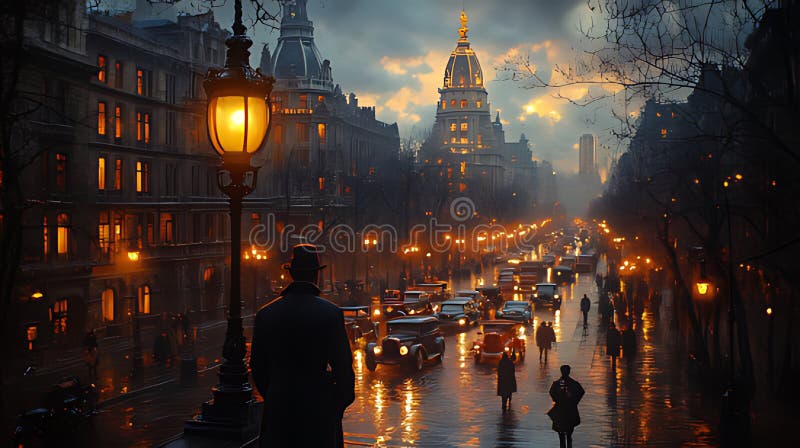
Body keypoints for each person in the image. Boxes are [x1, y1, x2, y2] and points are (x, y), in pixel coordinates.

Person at [251, 244, 355, 448]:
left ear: (291, 275)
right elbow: (343, 369)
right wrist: (334, 406)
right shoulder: (331, 314)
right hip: (318, 411)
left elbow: (258, 368)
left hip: (279, 411)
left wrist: (276, 393)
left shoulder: (265, 315)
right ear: (316, 276)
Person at [548, 364, 585, 448]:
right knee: (569, 428)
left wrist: (556, 400)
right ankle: (568, 442)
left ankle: (564, 443)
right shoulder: (574, 383)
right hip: (570, 408)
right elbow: (581, 392)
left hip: (561, 409)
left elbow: (552, 392)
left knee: (561, 430)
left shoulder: (557, 383)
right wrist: (575, 401)